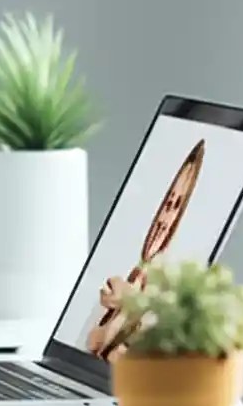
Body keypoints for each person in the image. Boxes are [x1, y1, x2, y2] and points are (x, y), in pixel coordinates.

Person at [84, 139, 206, 362]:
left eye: (176, 206)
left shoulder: (167, 287)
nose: (165, 218)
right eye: (167, 203)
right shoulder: (129, 275)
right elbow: (91, 341)